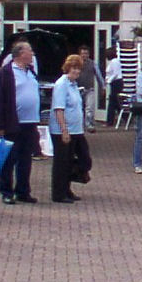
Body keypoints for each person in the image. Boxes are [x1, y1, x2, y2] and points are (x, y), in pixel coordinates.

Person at [0, 42, 40, 205]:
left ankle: (23, 191)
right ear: (20, 54)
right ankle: (6, 191)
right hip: (13, 123)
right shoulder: (6, 72)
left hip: (30, 122)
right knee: (9, 158)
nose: (32, 53)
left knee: (25, 158)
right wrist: (0, 125)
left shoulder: (31, 71)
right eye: (30, 50)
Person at [49, 55, 91, 204]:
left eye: (78, 69)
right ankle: (59, 193)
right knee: (62, 162)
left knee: (83, 159)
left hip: (76, 130)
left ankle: (67, 187)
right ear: (67, 68)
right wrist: (64, 131)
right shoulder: (62, 84)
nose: (76, 71)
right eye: (73, 68)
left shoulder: (74, 85)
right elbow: (59, 109)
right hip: (63, 130)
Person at [76, 45, 103, 133]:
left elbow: (98, 75)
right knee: (78, 108)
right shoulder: (76, 63)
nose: (84, 55)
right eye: (83, 53)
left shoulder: (93, 63)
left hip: (90, 89)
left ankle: (89, 125)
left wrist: (102, 86)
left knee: (89, 108)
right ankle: (79, 125)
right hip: (77, 89)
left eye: (86, 53)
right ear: (79, 54)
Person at [104, 47, 122, 127]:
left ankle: (109, 121)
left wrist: (108, 81)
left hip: (116, 83)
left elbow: (115, 73)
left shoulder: (114, 61)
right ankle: (125, 117)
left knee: (112, 102)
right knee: (116, 102)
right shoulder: (114, 61)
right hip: (116, 83)